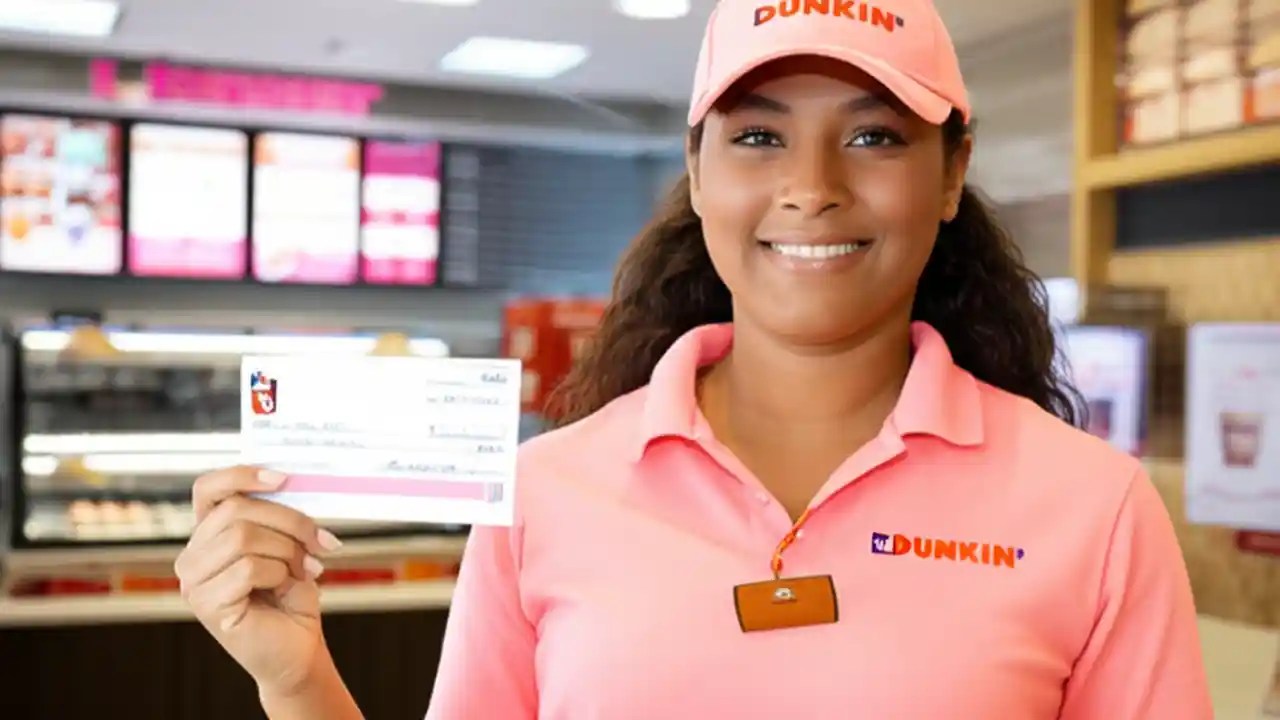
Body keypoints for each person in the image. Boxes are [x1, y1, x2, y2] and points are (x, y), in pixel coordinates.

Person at [175, 0, 1214, 717]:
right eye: (757, 137)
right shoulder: (548, 490)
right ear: (697, 171)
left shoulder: (1093, 508)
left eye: (873, 137)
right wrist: (297, 678)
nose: (809, 187)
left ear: (951, 174)